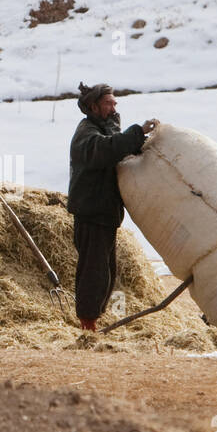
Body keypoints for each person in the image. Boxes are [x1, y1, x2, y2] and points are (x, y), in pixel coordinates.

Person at [67, 83, 158, 331]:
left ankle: (92, 320)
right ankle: (87, 325)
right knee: (93, 273)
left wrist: (141, 140)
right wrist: (136, 132)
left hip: (104, 215)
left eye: (115, 103)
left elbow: (117, 144)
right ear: (94, 106)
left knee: (106, 272)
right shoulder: (87, 133)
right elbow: (106, 149)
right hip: (91, 214)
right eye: (108, 103)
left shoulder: (103, 129)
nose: (114, 107)